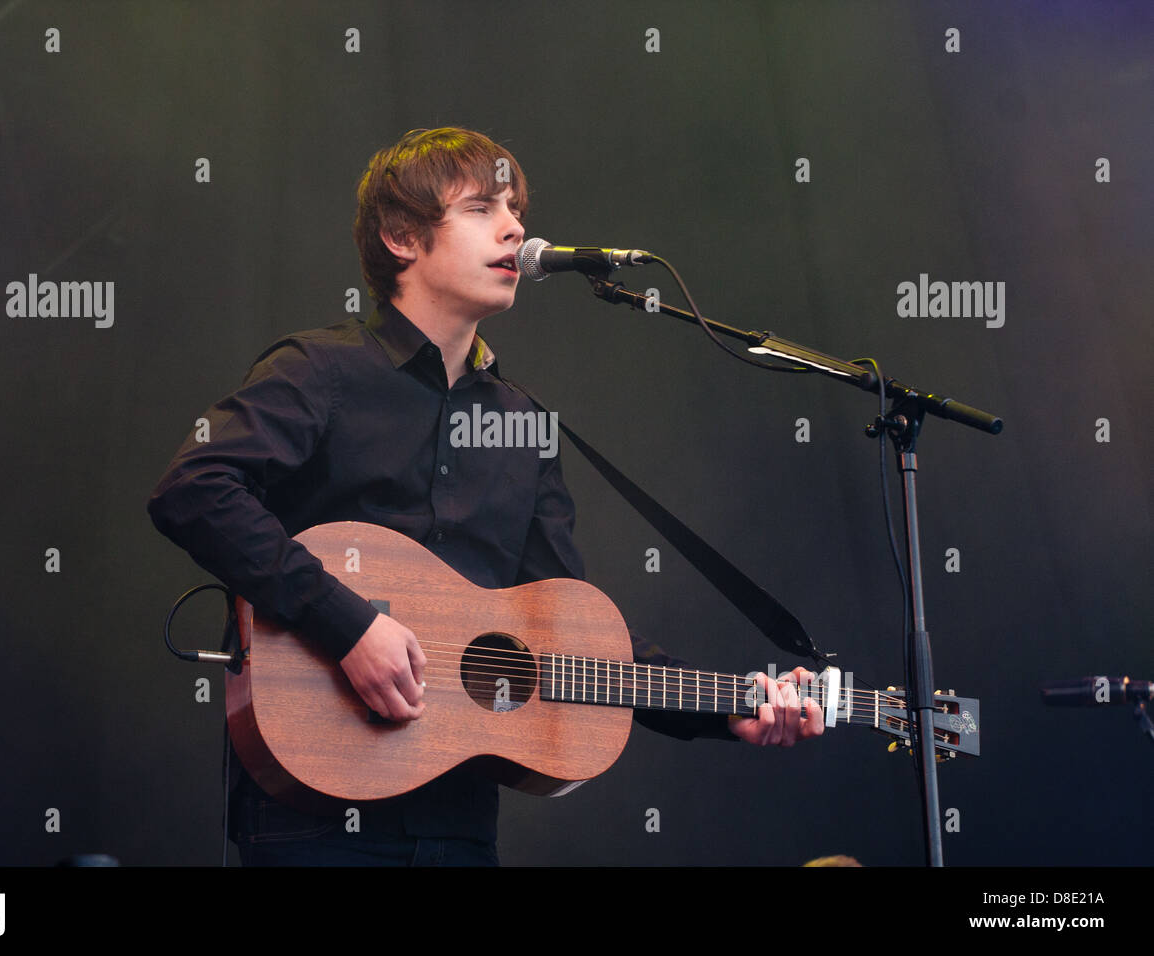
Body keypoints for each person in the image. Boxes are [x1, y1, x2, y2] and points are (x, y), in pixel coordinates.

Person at [147, 127, 823, 866]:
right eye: (481, 208)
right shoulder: (321, 371)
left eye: (516, 209)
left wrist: (729, 710)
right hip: (313, 807)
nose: (516, 228)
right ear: (402, 237)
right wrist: (348, 626)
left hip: (458, 823)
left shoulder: (525, 424)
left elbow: (570, 633)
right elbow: (195, 487)